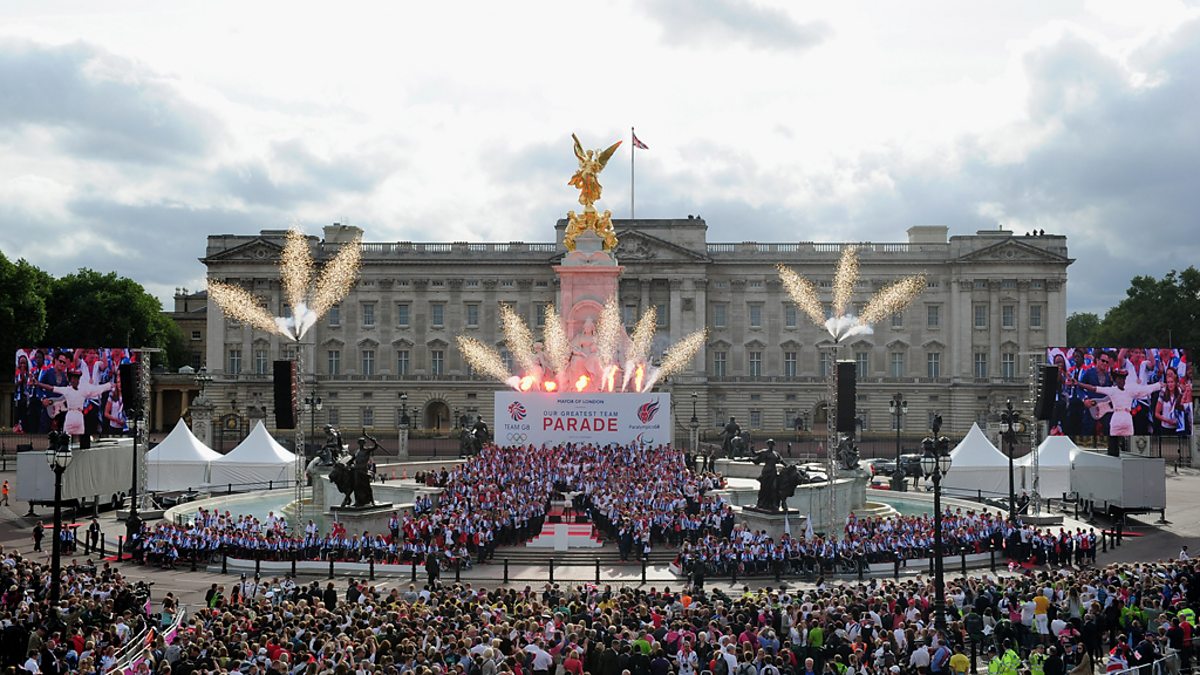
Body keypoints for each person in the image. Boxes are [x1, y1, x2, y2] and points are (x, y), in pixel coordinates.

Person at [1072, 370, 1163, 437]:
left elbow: (1145, 390)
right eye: (1119, 379)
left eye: (1123, 379)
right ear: (1115, 380)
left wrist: (1158, 385)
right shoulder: (1112, 390)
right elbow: (1093, 388)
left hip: (1127, 418)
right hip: (1116, 418)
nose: (1121, 381)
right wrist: (1078, 383)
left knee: (1128, 443)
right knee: (1114, 443)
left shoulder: (1130, 390)